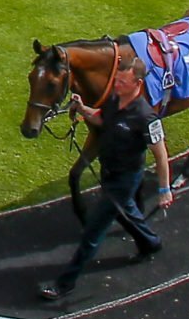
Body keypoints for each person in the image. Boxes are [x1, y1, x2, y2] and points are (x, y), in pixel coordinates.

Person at [36, 69, 173, 302]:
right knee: (127, 212)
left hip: (125, 180)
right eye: (117, 80)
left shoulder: (145, 117)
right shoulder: (114, 101)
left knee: (93, 231)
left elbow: (161, 155)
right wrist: (81, 109)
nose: (116, 84)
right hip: (108, 173)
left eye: (122, 81)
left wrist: (164, 189)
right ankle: (151, 243)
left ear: (137, 84)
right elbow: (101, 118)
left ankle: (65, 284)